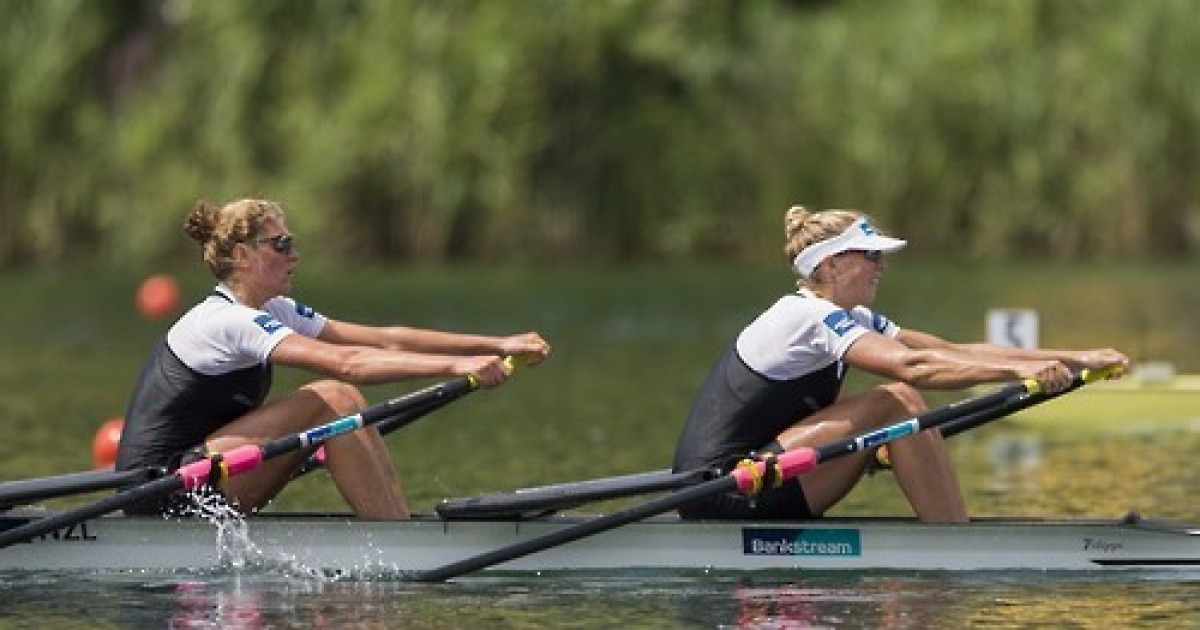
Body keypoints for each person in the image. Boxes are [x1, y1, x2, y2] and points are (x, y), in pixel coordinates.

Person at [671, 205, 1128, 523]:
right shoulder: (804, 316)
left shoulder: (848, 316)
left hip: (767, 475)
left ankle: (949, 533)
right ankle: (954, 544)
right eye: (870, 255)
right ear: (828, 266)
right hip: (728, 489)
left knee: (897, 412)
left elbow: (952, 352)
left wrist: (1074, 359)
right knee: (898, 400)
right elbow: (915, 368)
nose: (880, 266)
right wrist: (1018, 374)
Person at [114, 198, 551, 520]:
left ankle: (396, 523)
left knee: (337, 403)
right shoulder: (225, 320)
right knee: (333, 397)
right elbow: (348, 364)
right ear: (243, 257)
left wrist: (497, 345)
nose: (294, 255)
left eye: (292, 243)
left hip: (202, 473)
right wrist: (457, 367)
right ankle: (397, 537)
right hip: (160, 491)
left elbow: (387, 339)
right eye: (280, 244)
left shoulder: (274, 310)